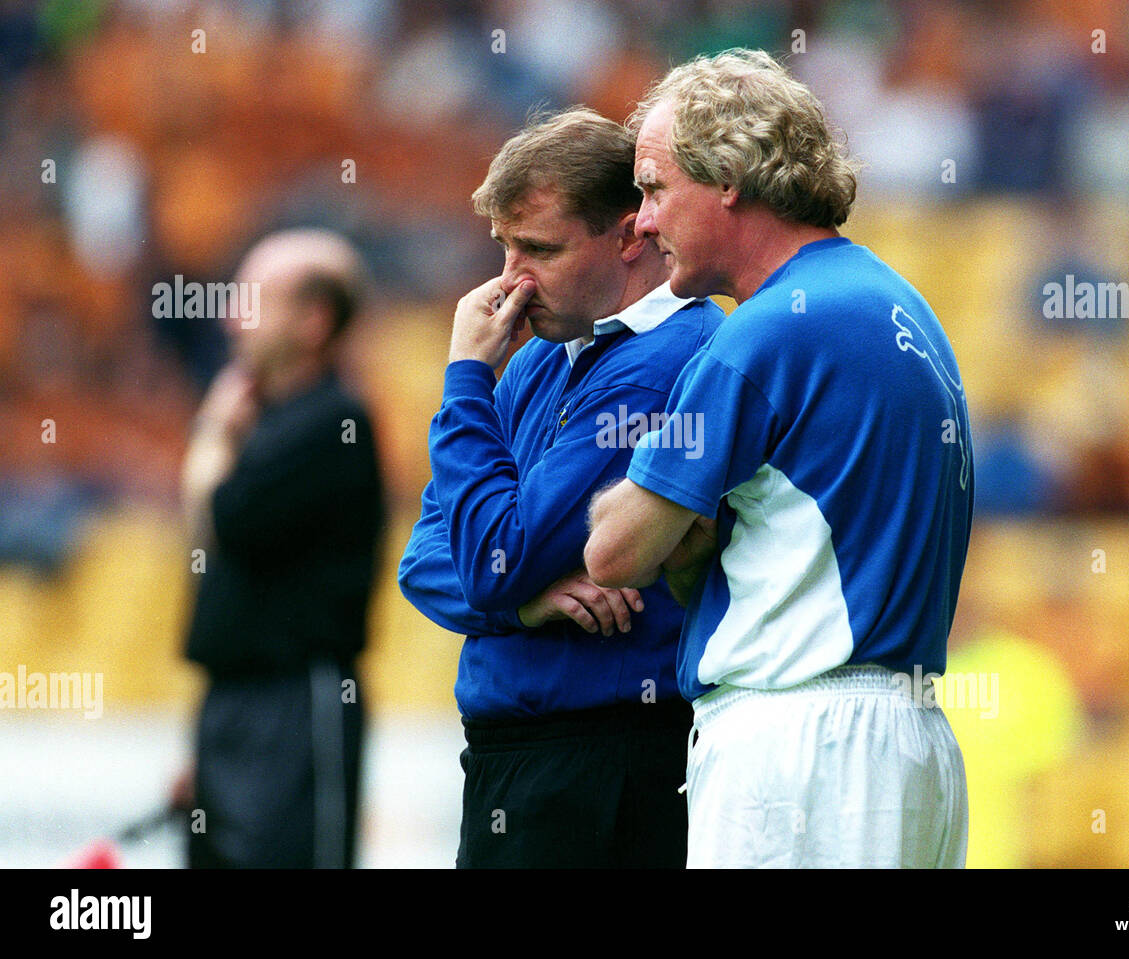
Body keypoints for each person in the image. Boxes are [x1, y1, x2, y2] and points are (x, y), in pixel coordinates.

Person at [585, 49, 974, 868]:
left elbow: (614, 552)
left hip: (803, 751)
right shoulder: (899, 301)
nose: (643, 221)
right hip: (905, 743)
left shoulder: (766, 331)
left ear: (727, 176)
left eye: (654, 189)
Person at [397, 108, 723, 868]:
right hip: (518, 762)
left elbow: (490, 556)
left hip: (608, 761)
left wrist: (468, 378)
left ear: (630, 235)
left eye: (538, 248)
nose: (511, 280)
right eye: (505, 247)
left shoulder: (662, 361)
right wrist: (522, 601)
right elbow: (424, 557)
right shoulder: (548, 352)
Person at [179, 229, 384, 868]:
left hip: (298, 706)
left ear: (313, 320)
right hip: (234, 705)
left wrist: (213, 434)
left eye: (251, 299)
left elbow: (222, 519)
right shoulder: (266, 423)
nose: (231, 318)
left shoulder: (334, 423)